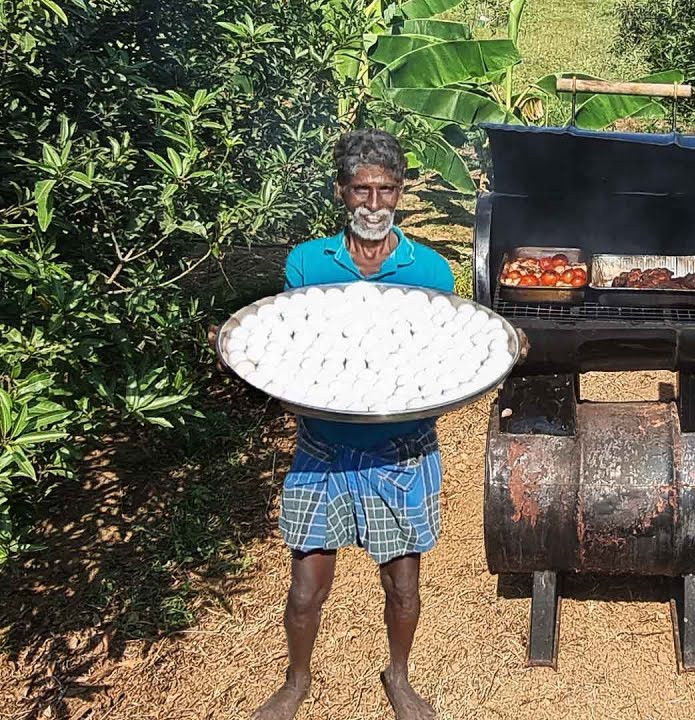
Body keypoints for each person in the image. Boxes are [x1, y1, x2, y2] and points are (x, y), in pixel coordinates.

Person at [240, 129, 454, 720]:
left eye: (386, 190)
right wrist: (244, 348)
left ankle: (398, 676)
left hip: (401, 449)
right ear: (341, 191)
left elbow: (444, 356)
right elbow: (292, 343)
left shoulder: (431, 271)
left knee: (403, 588)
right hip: (324, 447)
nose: (374, 204)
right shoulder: (309, 263)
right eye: (362, 190)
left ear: (401, 192)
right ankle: (296, 681)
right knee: (305, 591)